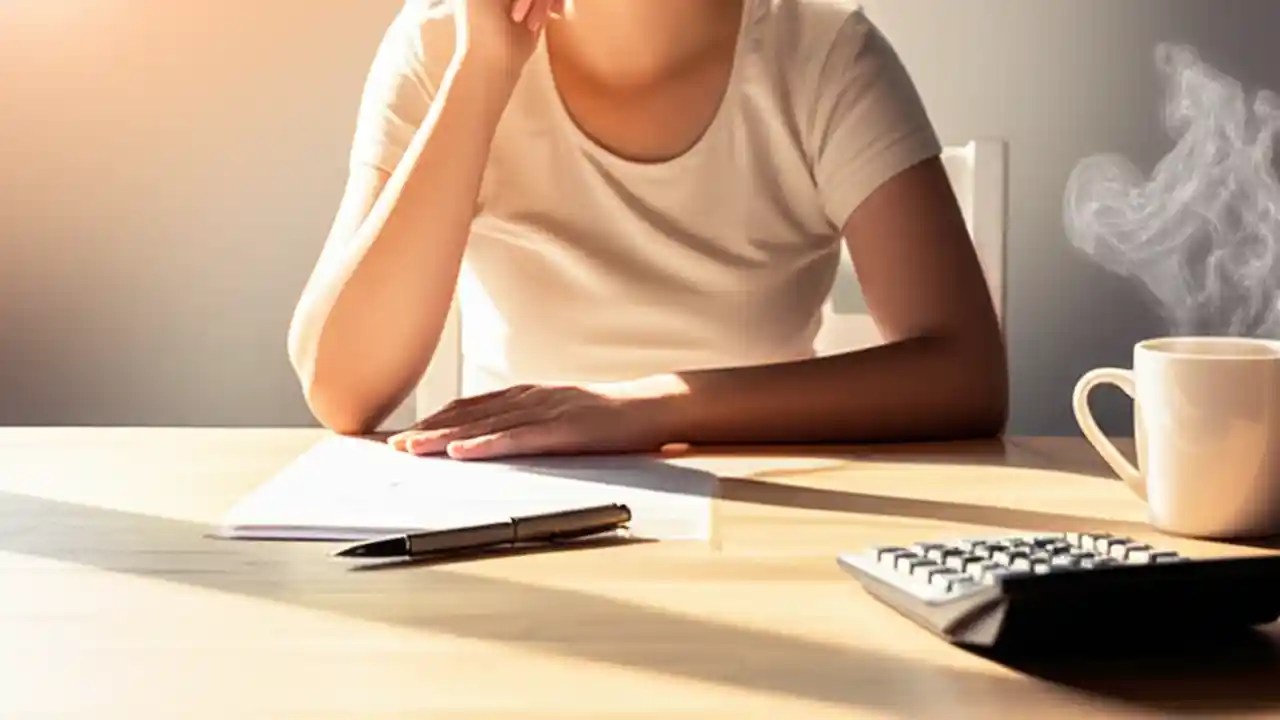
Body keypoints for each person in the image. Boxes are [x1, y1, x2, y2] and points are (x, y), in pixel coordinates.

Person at [287, 0, 1007, 460]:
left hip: (764, 508)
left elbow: (966, 375)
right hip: (503, 507)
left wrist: (650, 406)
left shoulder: (823, 56)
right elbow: (342, 390)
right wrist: (482, 70)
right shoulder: (440, 46)